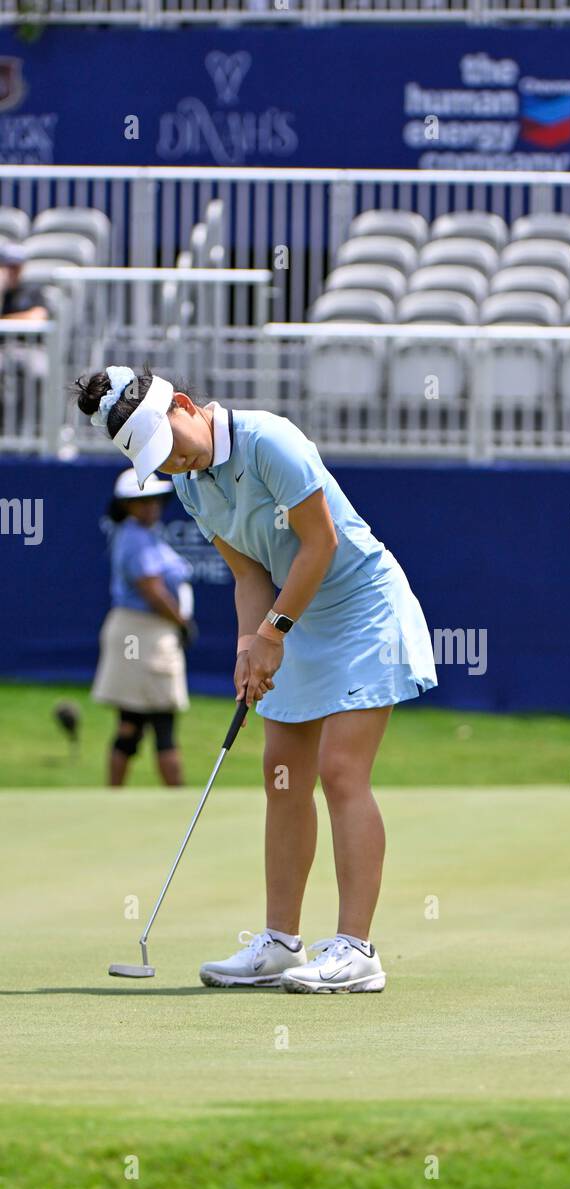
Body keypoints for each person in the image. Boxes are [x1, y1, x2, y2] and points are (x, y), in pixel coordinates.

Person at [76, 365, 437, 994]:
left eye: (175, 448)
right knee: (282, 776)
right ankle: (280, 944)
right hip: (292, 618)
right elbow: (249, 577)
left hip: (360, 610)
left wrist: (272, 634)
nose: (177, 465)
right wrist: (250, 646)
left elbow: (318, 544)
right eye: (163, 463)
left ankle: (356, 951)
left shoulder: (271, 440)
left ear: (184, 405)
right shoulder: (191, 486)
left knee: (341, 771)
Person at [91, 462, 194, 788]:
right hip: (144, 634)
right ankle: (177, 805)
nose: (151, 506)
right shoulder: (135, 538)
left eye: (155, 500)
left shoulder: (139, 535)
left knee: (131, 722)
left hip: (140, 632)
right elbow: (151, 589)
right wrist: (181, 622)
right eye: (142, 500)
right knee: (161, 721)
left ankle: (115, 798)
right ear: (127, 505)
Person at [0, 241, 48, 323]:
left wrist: (5, 320)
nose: (11, 272)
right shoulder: (2, 291)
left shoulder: (32, 290)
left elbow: (38, 316)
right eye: (7, 266)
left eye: (15, 267)